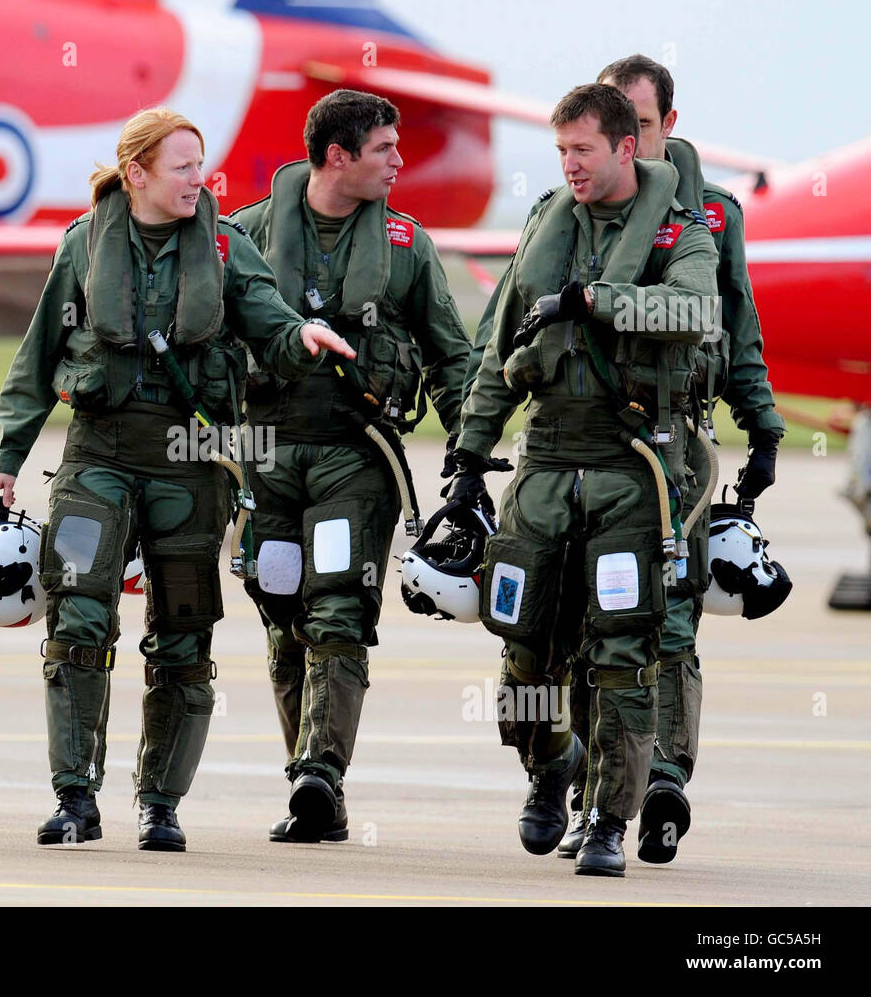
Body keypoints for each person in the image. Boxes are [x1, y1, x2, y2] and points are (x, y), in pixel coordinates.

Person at [0, 107, 355, 852]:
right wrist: (6, 457)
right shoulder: (84, 245)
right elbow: (36, 358)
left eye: (201, 165)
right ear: (138, 172)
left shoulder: (223, 245)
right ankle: (74, 797)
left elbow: (270, 320)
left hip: (190, 461)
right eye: (182, 165)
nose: (199, 178)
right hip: (98, 455)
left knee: (183, 635)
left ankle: (160, 803)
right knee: (78, 621)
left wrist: (302, 338)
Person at [453, 83, 718, 876]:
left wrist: (595, 300)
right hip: (543, 465)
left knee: (621, 655)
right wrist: (468, 457)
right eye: (561, 149)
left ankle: (607, 819)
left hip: (630, 466)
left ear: (624, 148)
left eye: (583, 150)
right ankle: (549, 762)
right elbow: (500, 347)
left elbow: (695, 313)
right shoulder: (545, 228)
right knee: (523, 650)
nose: (568, 164)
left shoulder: (681, 234)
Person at [549, 55, 785, 864]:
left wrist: (764, 429)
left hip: (674, 454)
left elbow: (737, 324)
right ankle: (592, 782)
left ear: (663, 127)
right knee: (588, 626)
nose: (633, 143)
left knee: (670, 621)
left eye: (642, 125)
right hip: (579, 451)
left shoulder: (711, 217)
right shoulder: (568, 212)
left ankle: (664, 780)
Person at [229, 89, 470, 842]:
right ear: (339, 156)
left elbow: (451, 356)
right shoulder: (242, 236)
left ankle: (319, 774)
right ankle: (312, 780)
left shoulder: (405, 247)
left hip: (355, 454)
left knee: (337, 607)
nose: (400, 160)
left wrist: (469, 459)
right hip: (263, 454)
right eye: (385, 149)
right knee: (282, 610)